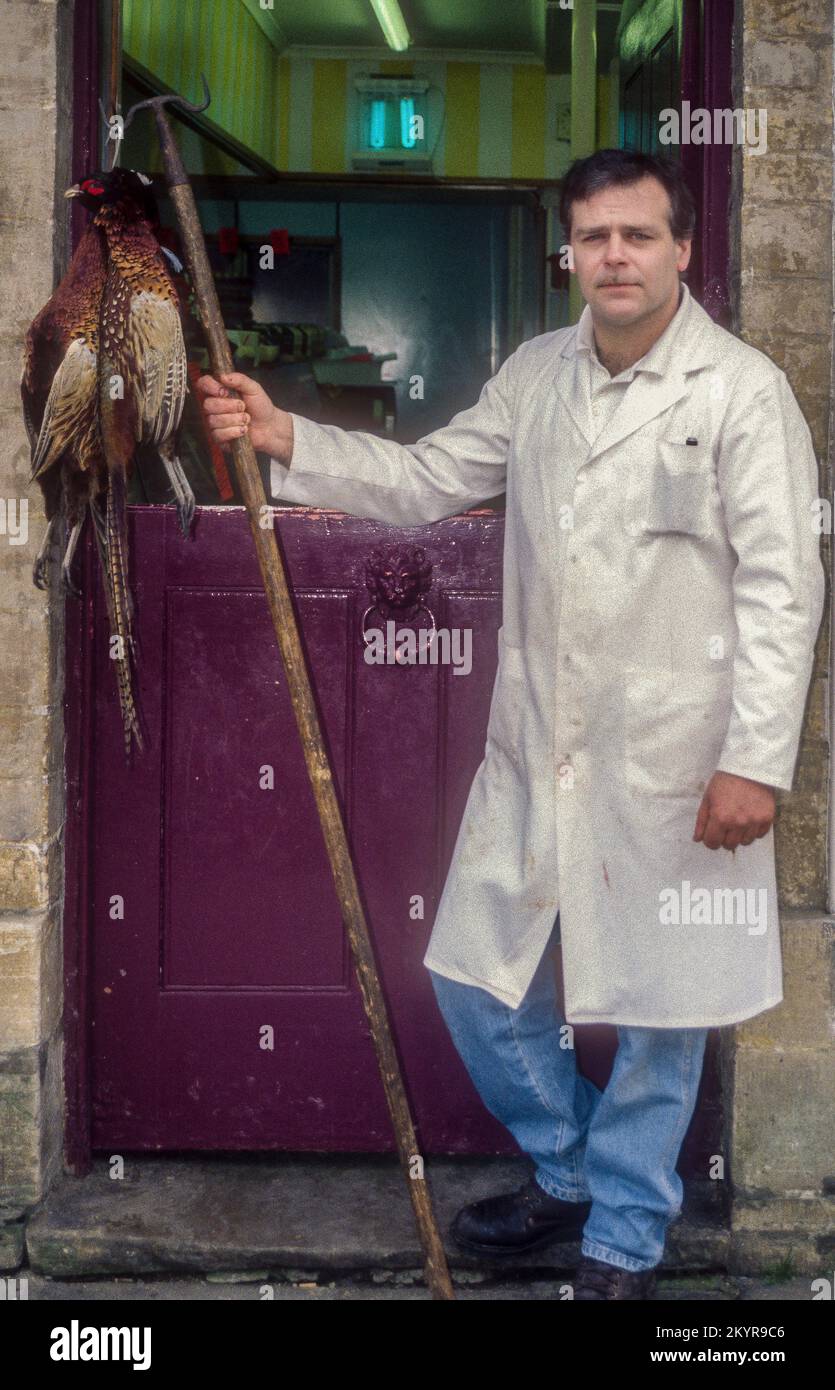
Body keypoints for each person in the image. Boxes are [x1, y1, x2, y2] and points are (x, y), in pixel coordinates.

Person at [195, 149, 825, 1301]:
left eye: (638, 235)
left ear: (683, 249)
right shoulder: (536, 375)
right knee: (476, 982)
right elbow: (430, 476)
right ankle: (573, 1171)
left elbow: (782, 588)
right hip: (539, 744)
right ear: (569, 254)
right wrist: (287, 437)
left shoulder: (740, 390)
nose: (615, 256)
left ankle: (625, 1241)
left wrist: (752, 759)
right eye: (594, 238)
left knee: (661, 1007)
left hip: (681, 761)